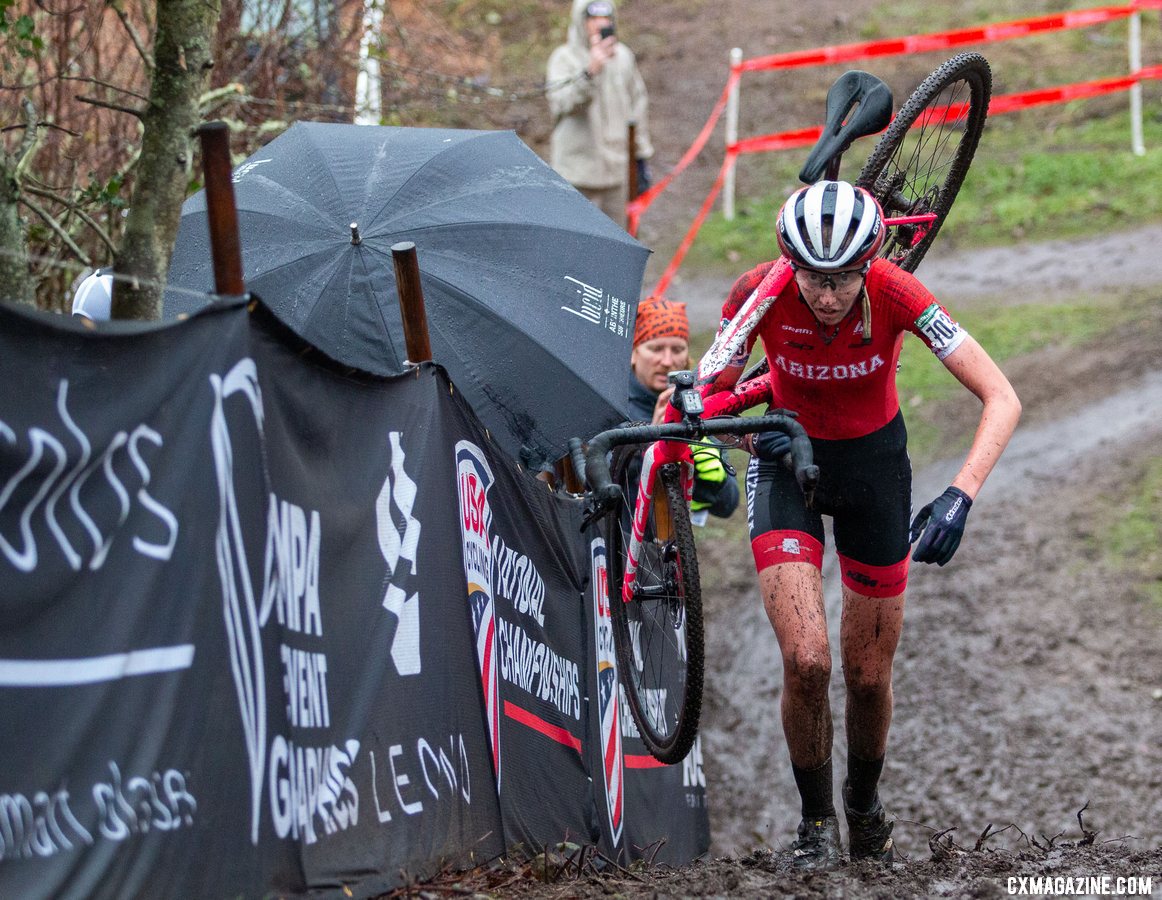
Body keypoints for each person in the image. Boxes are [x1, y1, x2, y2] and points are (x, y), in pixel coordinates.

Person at [718, 181, 1020, 869]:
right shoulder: (757, 291)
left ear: (871, 264)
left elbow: (1001, 395)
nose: (827, 295)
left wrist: (960, 496)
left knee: (865, 676)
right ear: (788, 263)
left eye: (845, 278)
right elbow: (709, 400)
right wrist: (747, 434)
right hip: (785, 462)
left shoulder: (897, 293)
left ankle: (864, 805)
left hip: (874, 471)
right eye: (814, 279)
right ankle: (816, 822)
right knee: (807, 661)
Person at [546, 0, 653, 227]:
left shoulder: (623, 57)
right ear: (580, 21)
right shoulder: (563, 59)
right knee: (576, 247)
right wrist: (590, 72)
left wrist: (641, 156)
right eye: (593, 18)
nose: (600, 24)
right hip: (577, 175)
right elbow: (562, 103)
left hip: (617, 174)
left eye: (606, 18)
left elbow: (638, 104)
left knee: (618, 245)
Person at [630, 296, 738, 520]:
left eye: (677, 349)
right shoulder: (615, 404)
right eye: (656, 348)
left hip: (672, 545)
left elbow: (727, 506)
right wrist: (651, 445)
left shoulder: (697, 406)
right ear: (633, 353)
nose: (668, 361)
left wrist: (713, 479)